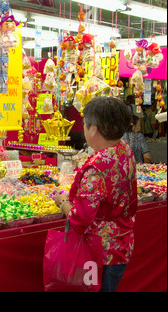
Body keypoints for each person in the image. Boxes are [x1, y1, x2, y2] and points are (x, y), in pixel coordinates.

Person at [54, 96, 138, 292]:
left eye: (84, 124)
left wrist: (63, 202)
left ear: (93, 129)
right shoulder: (124, 150)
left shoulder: (98, 167)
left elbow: (80, 218)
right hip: (122, 243)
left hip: (101, 252)